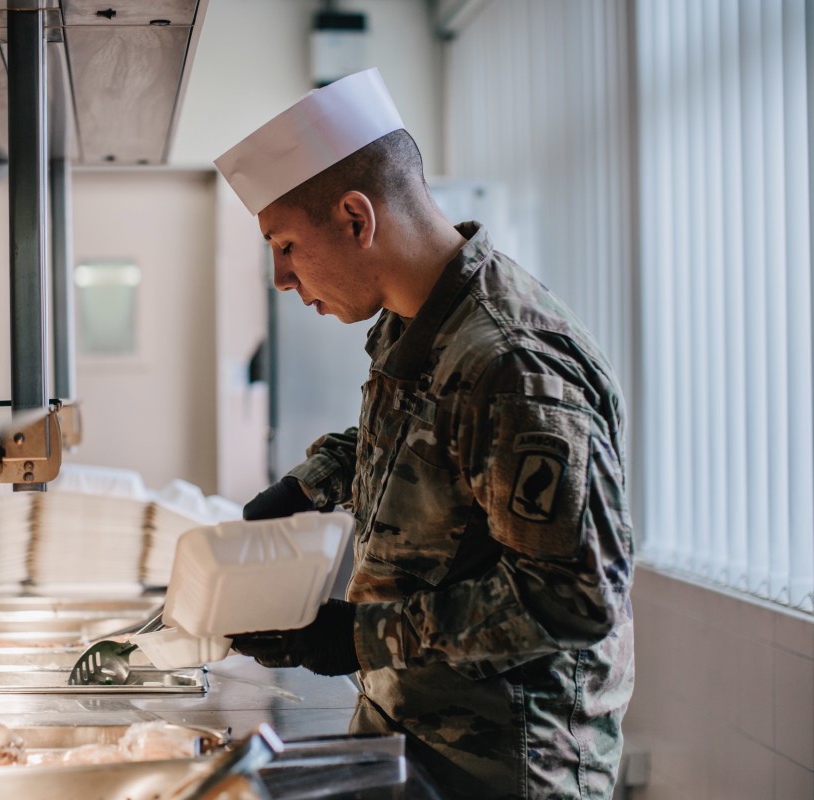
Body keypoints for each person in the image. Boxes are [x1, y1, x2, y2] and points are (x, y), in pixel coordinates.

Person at [215, 69, 634, 800]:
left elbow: (575, 597)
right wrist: (306, 486)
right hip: (415, 734)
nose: (281, 276)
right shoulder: (415, 321)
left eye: (285, 244)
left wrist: (356, 637)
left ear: (355, 217)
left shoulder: (512, 361)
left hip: (507, 763)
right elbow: (420, 437)